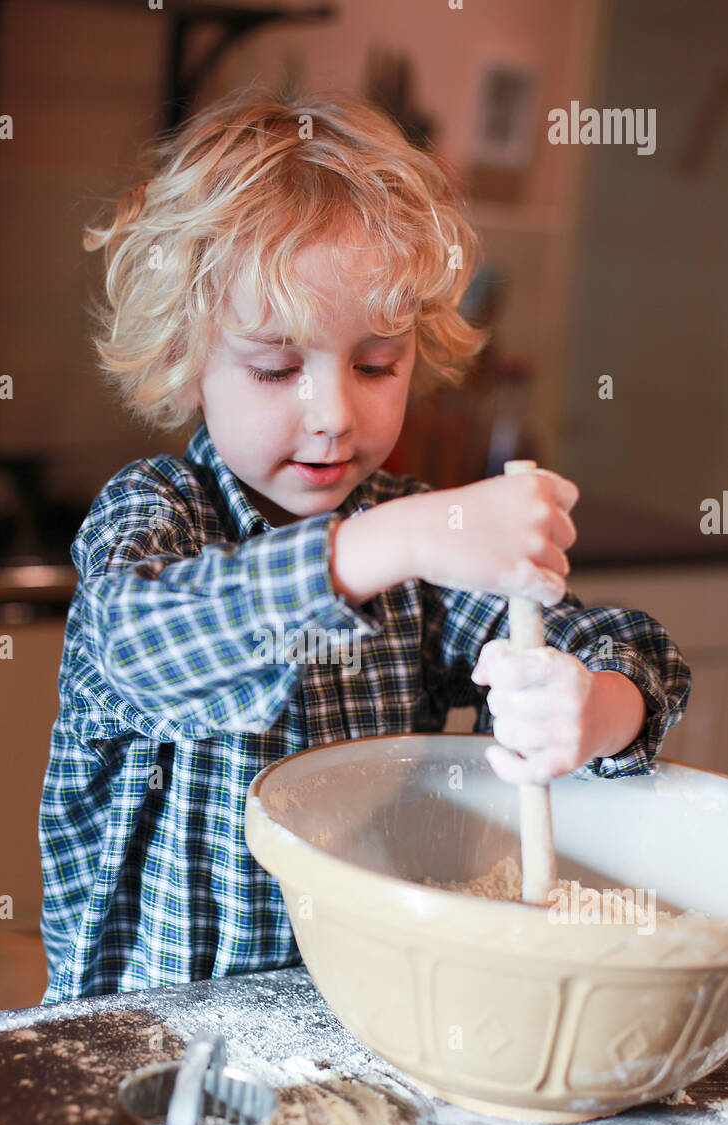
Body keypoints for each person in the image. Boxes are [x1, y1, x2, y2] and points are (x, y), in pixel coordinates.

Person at [38, 86, 691, 1003]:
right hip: (156, 1038)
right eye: (274, 368)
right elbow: (142, 644)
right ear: (188, 361)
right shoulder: (155, 515)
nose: (333, 415)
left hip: (378, 1017)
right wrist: (394, 538)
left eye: (375, 363)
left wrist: (592, 708)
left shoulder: (421, 554)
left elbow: (624, 647)